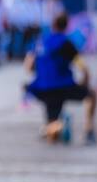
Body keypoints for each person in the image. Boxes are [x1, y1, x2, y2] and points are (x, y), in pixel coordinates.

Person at [24, 12, 96, 144]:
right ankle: (89, 131)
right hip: (63, 86)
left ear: (52, 25)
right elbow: (84, 68)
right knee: (92, 95)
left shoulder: (40, 41)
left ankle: (51, 129)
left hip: (42, 89)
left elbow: (28, 67)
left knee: (54, 131)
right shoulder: (66, 42)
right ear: (66, 26)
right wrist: (84, 82)